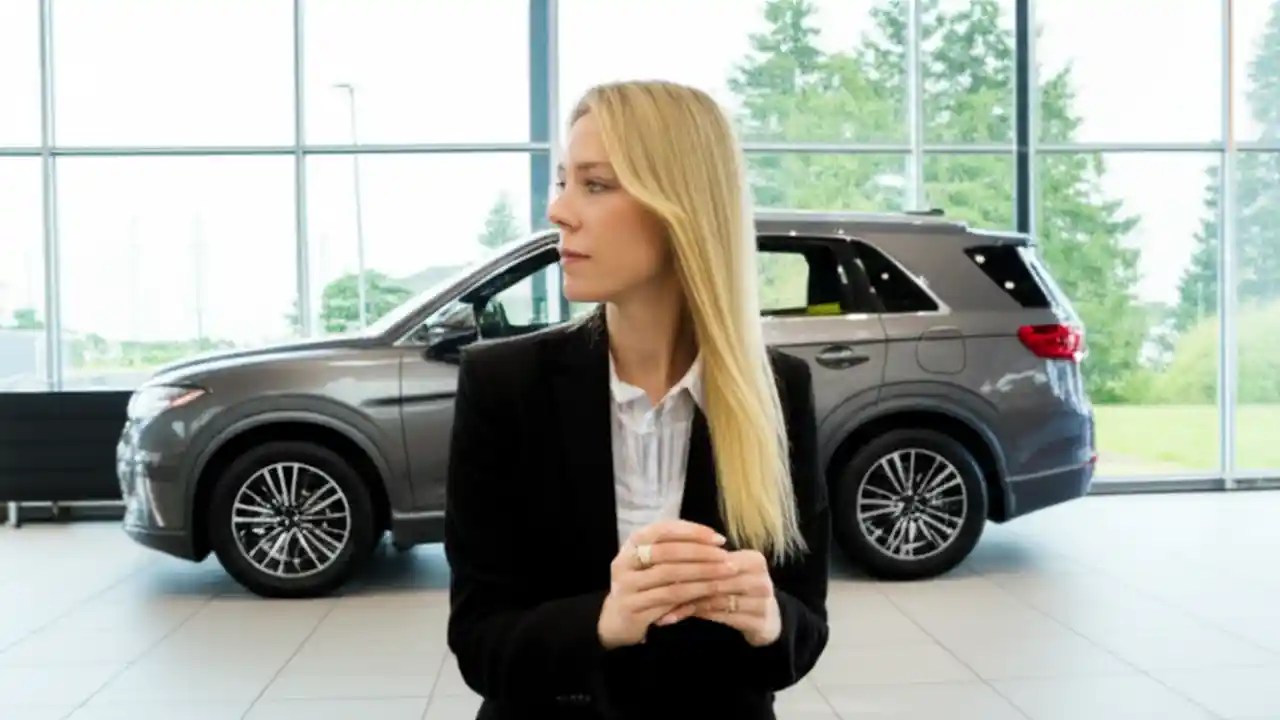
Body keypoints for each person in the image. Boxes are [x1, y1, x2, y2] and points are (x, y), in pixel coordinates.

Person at [443, 79, 830, 719]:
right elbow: (479, 640)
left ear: (680, 205)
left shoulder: (777, 390)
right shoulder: (504, 385)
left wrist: (768, 619)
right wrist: (604, 619)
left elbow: (803, 632)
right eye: (563, 181)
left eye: (594, 185)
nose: (559, 212)